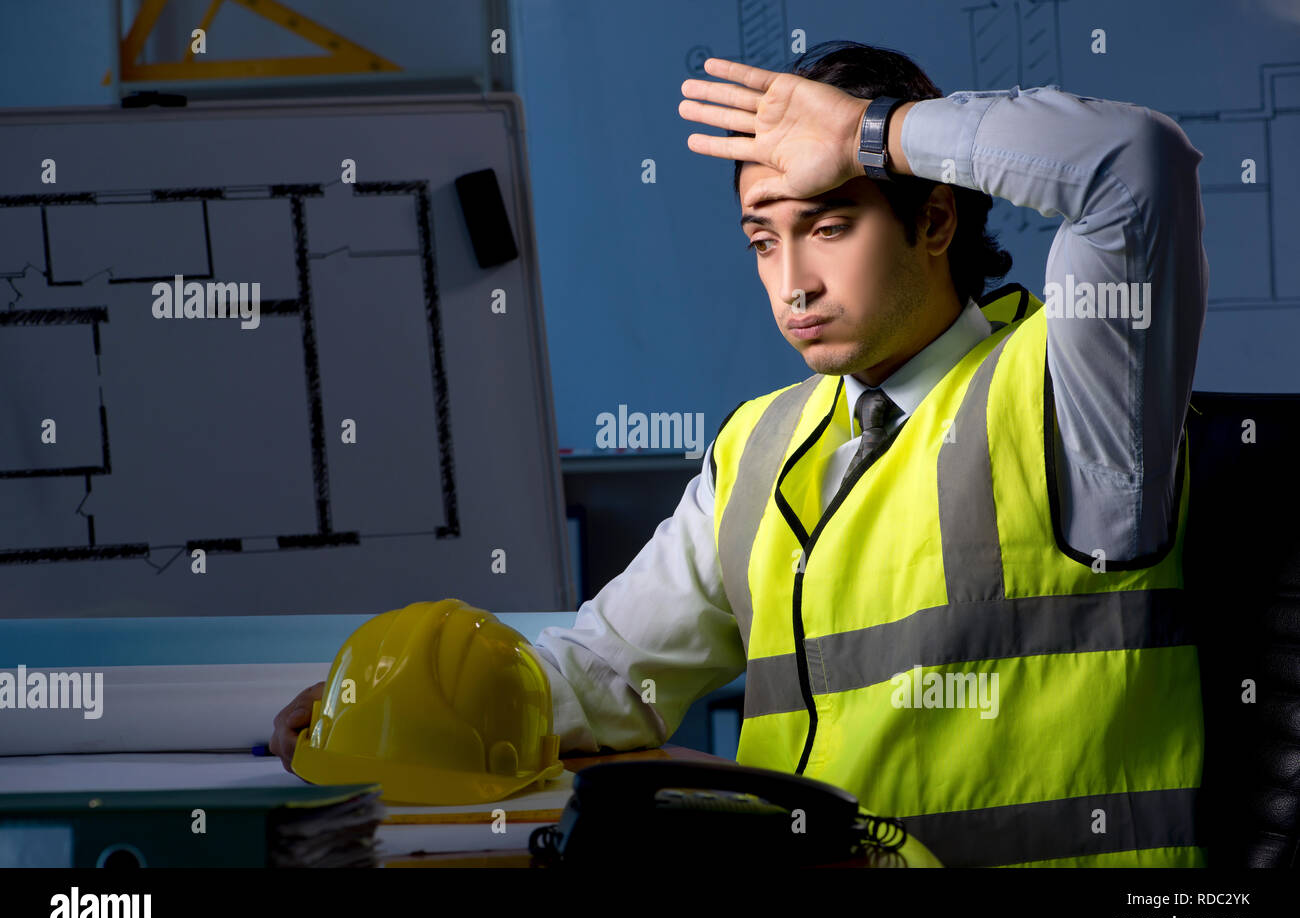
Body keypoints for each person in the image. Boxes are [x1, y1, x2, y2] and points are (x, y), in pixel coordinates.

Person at [273, 41, 1208, 867]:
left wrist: (871, 133)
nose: (793, 283)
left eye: (829, 226)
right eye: (766, 240)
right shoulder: (760, 444)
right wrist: (412, 705)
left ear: (933, 221)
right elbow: (606, 674)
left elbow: (1135, 167)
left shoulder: (1074, 390)